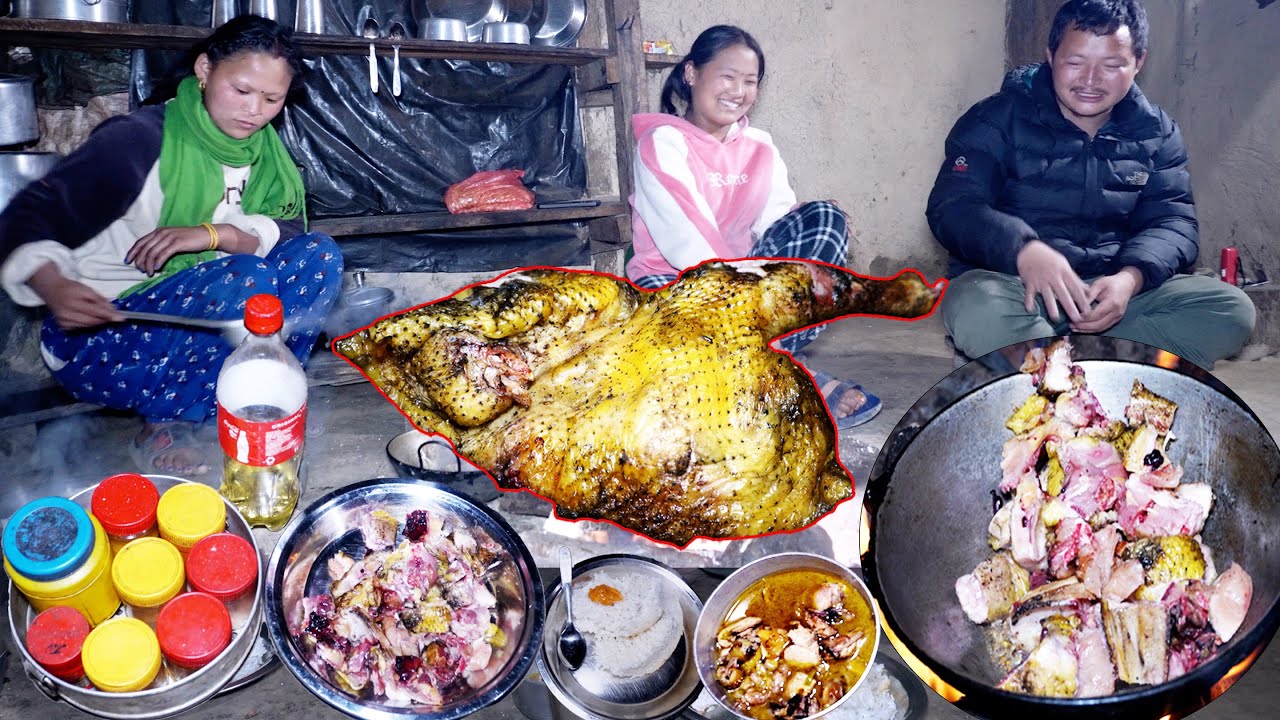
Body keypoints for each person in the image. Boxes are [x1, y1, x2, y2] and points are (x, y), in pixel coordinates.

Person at [0, 15, 343, 475]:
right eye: (241, 91)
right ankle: (172, 421)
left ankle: (264, 397)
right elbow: (24, 218)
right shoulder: (137, 143)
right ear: (204, 70)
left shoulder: (263, 154)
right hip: (103, 333)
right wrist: (54, 286)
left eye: (271, 99)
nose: (254, 110)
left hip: (198, 315)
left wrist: (211, 233)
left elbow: (290, 230)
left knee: (318, 256)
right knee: (248, 279)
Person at [927, 0, 1254, 371]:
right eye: (1075, 62)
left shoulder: (1156, 133)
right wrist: (1024, 250)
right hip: (1015, 288)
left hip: (1108, 296)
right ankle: (1101, 365)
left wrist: (1129, 280)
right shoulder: (996, 118)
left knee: (1231, 309)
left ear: (1138, 62)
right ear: (1051, 56)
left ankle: (1053, 366)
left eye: (1112, 65)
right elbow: (953, 206)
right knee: (976, 308)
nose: (1090, 81)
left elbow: (1174, 222)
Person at [626, 25, 881, 429]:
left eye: (750, 81)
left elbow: (775, 222)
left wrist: (814, 227)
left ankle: (750, 372)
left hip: (745, 298)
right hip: (676, 287)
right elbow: (687, 247)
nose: (738, 91)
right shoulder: (662, 142)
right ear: (691, 73)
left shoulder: (760, 145)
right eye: (727, 76)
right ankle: (786, 377)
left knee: (823, 219)